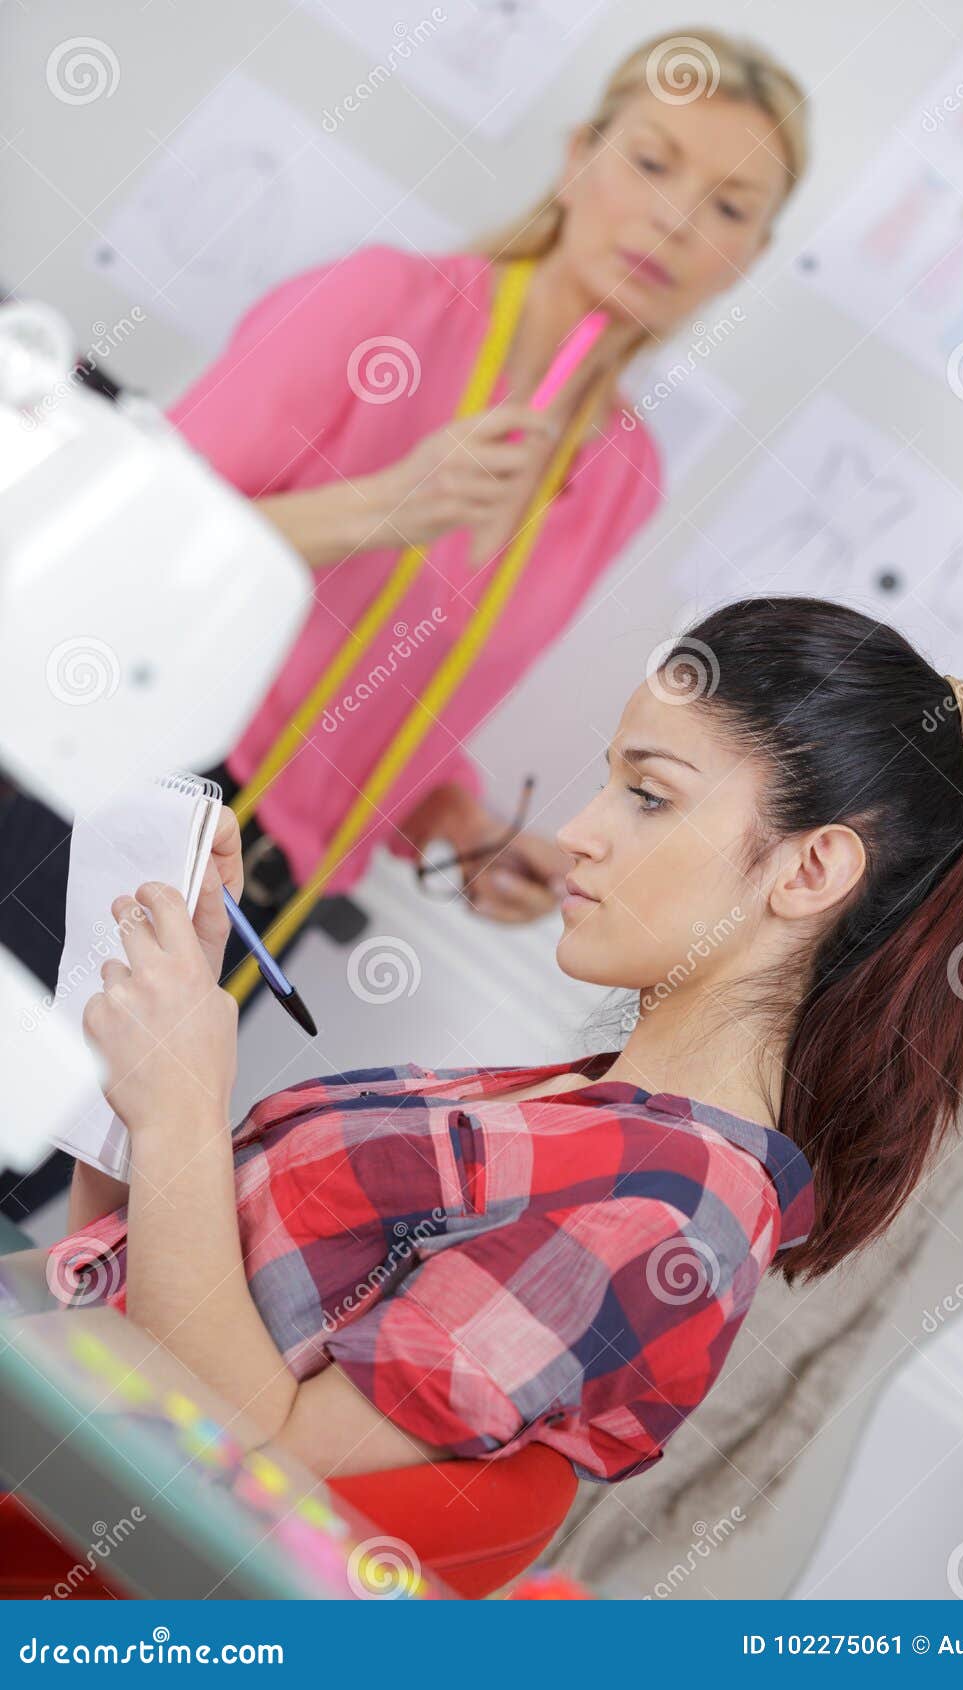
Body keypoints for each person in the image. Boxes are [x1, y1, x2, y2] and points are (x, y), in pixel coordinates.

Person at [0, 22, 810, 1217]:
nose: (679, 221)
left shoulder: (620, 472)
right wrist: (387, 503)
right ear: (580, 155)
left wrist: (459, 820)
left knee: (33, 1195)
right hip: (109, 806)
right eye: (651, 162)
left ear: (751, 255)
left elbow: (401, 687)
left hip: (253, 891)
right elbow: (130, 535)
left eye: (731, 205)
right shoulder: (383, 303)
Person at [33, 596, 963, 1486]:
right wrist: (145, 1034)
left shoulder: (668, 1219)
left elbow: (251, 1478)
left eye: (649, 795)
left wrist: (175, 1109)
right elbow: (114, 1275)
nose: (579, 828)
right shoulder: (575, 1110)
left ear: (807, 872)